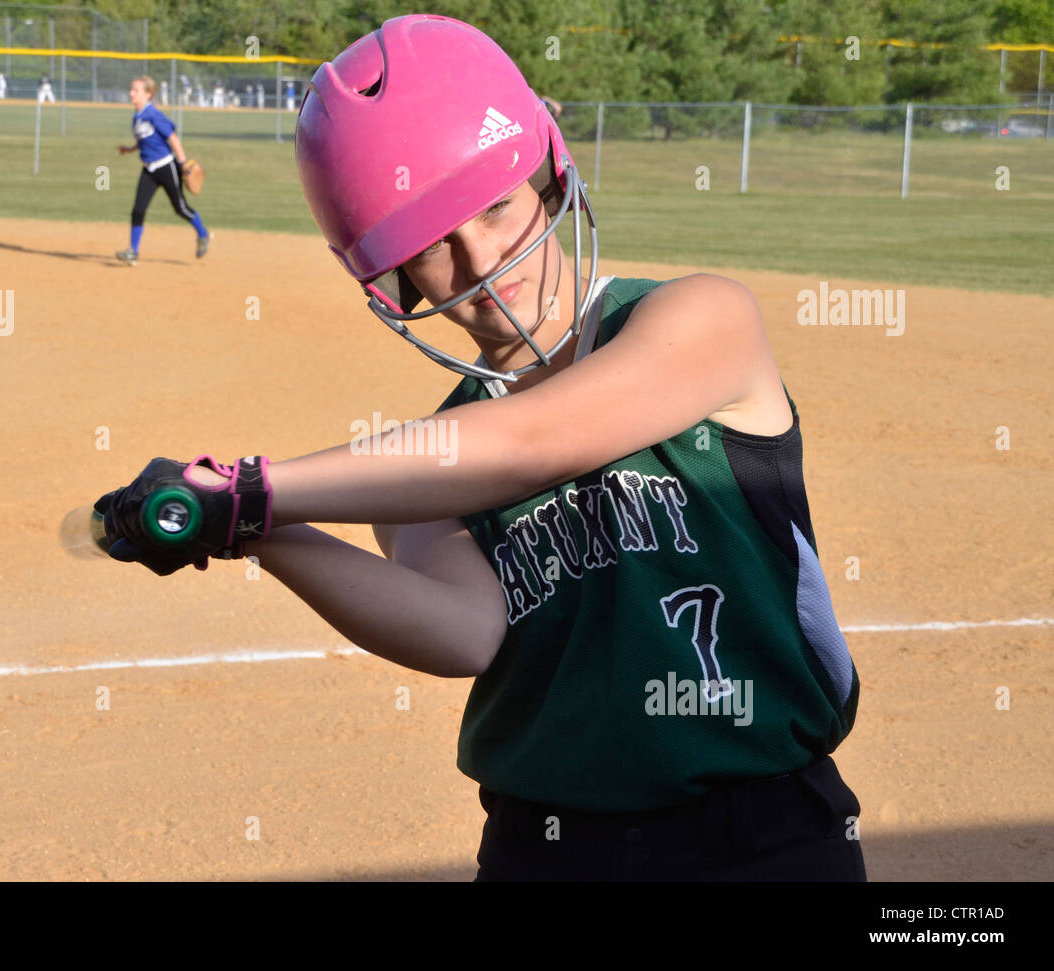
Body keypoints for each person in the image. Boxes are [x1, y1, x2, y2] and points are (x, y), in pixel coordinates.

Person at [91, 14, 863, 881]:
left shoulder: (699, 320)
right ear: (391, 281)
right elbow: (465, 632)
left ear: (547, 172)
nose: (484, 262)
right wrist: (255, 528)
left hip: (762, 838)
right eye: (430, 247)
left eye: (496, 206)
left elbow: (538, 439)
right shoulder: (422, 464)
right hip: (550, 848)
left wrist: (260, 486)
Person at [114, 76, 210, 265]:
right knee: (138, 210)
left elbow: (172, 138)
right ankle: (133, 252)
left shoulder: (153, 114)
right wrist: (130, 149)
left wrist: (183, 164)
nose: (131, 93)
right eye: (131, 89)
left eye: (136, 90)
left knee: (180, 208)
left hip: (167, 167)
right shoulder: (138, 114)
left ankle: (203, 234)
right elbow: (146, 139)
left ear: (148, 94)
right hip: (149, 170)